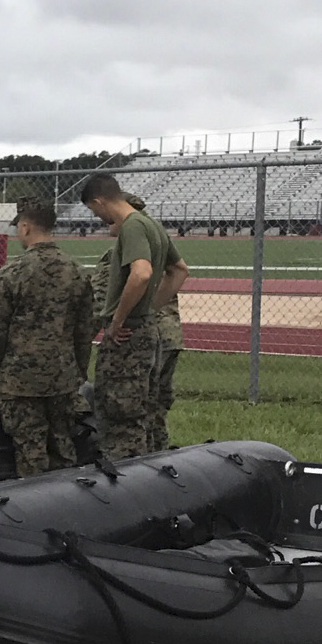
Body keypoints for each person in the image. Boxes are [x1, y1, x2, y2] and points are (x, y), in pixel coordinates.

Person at [0, 199, 93, 476]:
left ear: (26, 227)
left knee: (30, 451)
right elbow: (84, 331)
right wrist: (78, 372)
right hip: (63, 377)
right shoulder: (76, 272)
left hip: (20, 383)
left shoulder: (10, 275)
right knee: (64, 446)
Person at [81, 174, 188, 460]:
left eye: (95, 211)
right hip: (148, 332)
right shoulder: (153, 226)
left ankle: (124, 481)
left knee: (120, 417)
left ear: (99, 202)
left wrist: (119, 319)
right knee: (145, 413)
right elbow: (179, 270)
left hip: (128, 337)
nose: (99, 218)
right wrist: (150, 309)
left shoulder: (132, 227)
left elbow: (141, 273)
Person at [125, 194, 186, 452]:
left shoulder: (134, 246)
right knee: (159, 406)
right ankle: (161, 454)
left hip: (150, 335)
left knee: (139, 405)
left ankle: (145, 458)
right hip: (170, 333)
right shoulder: (161, 241)